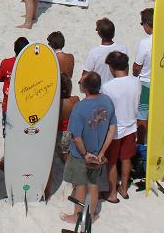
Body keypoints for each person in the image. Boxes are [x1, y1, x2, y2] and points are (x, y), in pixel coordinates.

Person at [61, 72, 116, 225]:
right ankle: (91, 215)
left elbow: (75, 136)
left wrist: (84, 154)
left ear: (84, 88)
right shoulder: (107, 100)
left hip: (81, 154)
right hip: (98, 152)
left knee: (80, 184)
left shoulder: (79, 107)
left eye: (80, 82)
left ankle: (78, 215)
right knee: (93, 184)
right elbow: (112, 128)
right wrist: (102, 152)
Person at [100, 51, 141, 202]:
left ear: (112, 67)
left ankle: (112, 194)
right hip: (131, 126)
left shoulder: (107, 87)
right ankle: (124, 189)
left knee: (111, 161)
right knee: (126, 159)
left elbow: (105, 111)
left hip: (115, 129)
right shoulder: (136, 82)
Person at [81, 18, 127, 86]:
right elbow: (126, 70)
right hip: (119, 90)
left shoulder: (94, 52)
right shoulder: (123, 48)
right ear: (113, 32)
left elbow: (85, 74)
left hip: (100, 92)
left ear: (99, 34)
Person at [0, 36, 29, 126]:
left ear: (14, 49)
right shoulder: (31, 65)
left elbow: (0, 78)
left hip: (8, 105)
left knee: (8, 134)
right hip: (25, 106)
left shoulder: (6, 63)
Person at [132, 7, 154, 142]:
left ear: (146, 23)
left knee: (142, 115)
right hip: (161, 82)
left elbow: (136, 68)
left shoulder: (144, 43)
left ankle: (140, 142)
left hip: (146, 84)